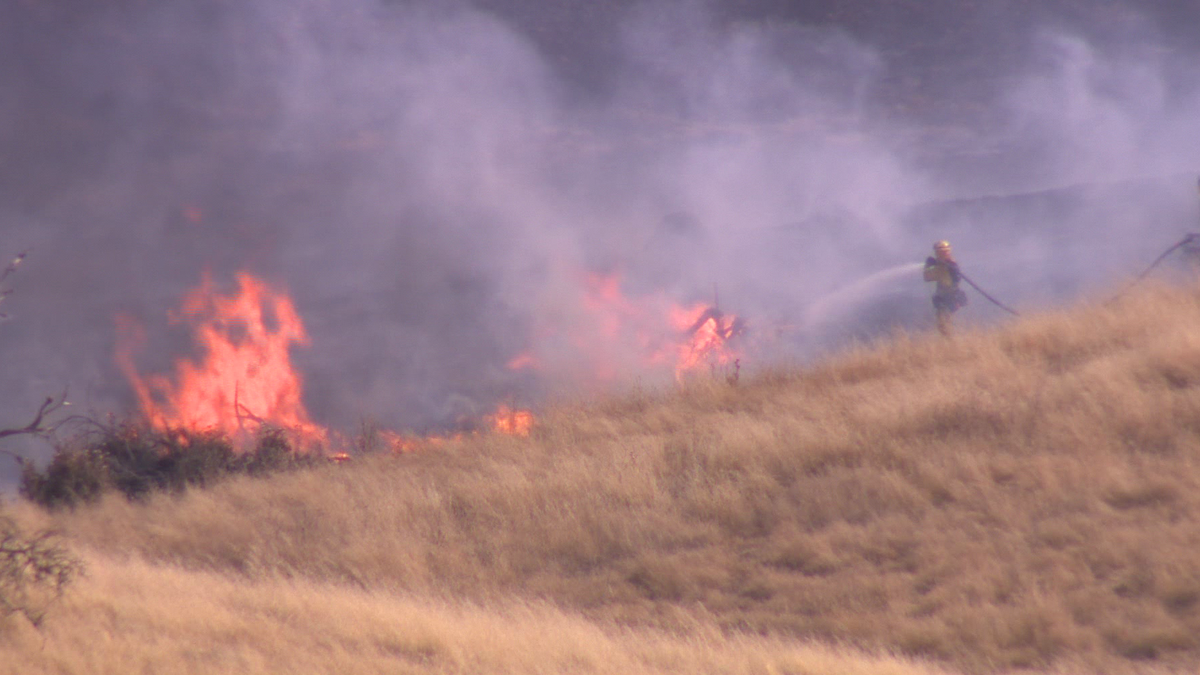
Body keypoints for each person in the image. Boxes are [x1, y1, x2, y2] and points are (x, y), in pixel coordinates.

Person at [923, 240, 968, 336]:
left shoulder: (951, 265)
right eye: (938, 252)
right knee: (942, 324)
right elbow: (927, 277)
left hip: (950, 298)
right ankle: (949, 341)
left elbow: (954, 280)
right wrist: (929, 266)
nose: (940, 254)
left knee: (944, 323)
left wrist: (930, 266)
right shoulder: (941, 266)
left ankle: (951, 341)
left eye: (943, 252)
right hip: (942, 298)